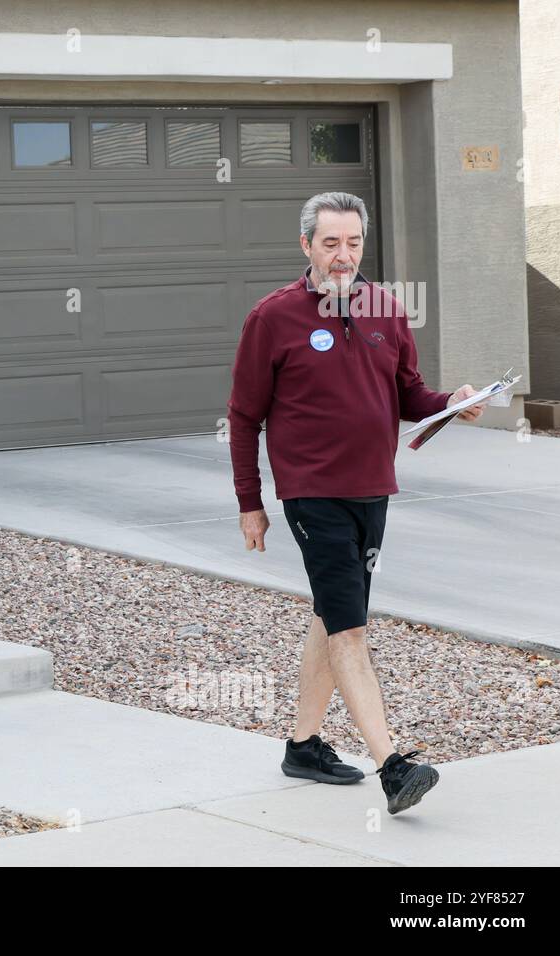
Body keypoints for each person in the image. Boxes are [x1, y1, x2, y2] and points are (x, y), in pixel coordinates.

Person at [227, 191, 484, 814]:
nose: (343, 256)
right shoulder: (274, 317)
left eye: (353, 243)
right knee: (350, 626)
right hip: (312, 494)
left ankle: (303, 745)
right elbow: (243, 415)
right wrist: (250, 502)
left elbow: (410, 395)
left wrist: (457, 402)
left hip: (374, 488)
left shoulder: (386, 310)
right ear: (306, 246)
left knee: (332, 609)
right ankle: (393, 765)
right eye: (330, 243)